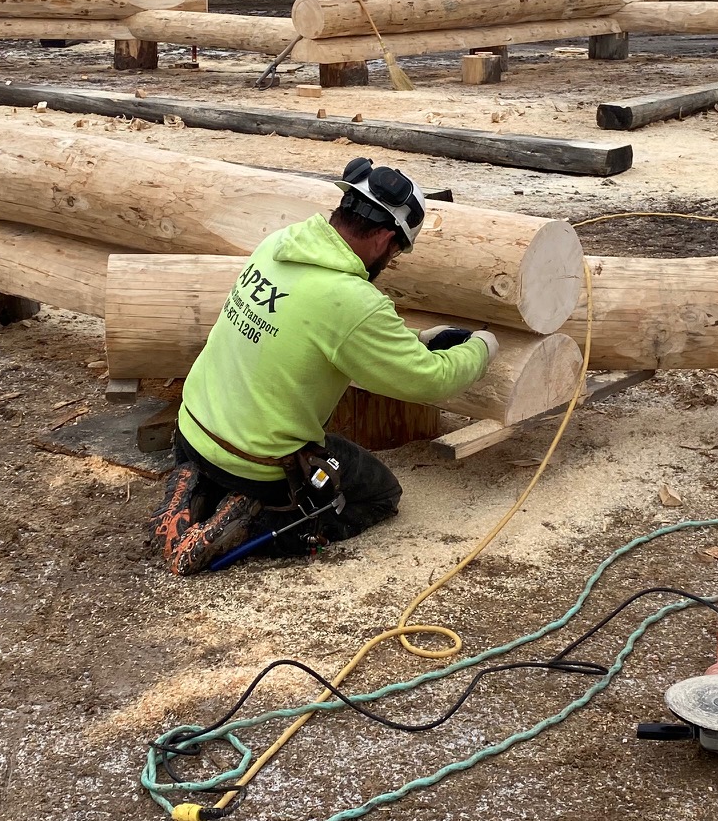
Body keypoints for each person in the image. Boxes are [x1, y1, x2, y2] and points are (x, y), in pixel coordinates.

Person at [147, 157, 497, 575]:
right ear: (386, 238)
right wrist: (483, 349)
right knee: (379, 495)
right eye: (396, 253)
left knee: (232, 453)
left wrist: (417, 342)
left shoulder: (279, 244)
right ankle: (261, 519)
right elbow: (430, 380)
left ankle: (195, 484)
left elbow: (307, 332)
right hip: (258, 465)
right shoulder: (352, 300)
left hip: (191, 430)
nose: (390, 262)